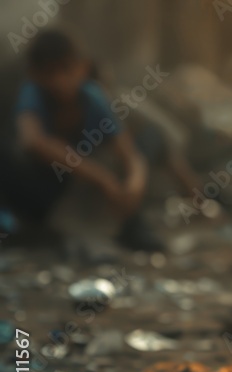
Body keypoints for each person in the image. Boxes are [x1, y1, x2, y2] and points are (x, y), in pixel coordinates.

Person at [0, 27, 163, 251]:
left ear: (83, 67)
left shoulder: (92, 97)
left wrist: (134, 185)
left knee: (142, 142)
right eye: (49, 72)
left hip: (78, 189)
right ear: (34, 74)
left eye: (65, 69)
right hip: (41, 187)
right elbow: (33, 141)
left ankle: (130, 224)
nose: (59, 80)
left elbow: (130, 154)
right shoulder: (33, 93)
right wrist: (102, 179)